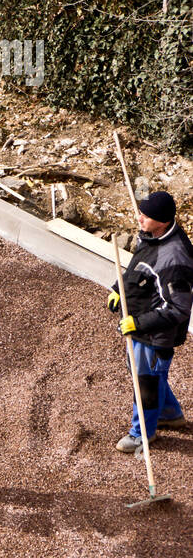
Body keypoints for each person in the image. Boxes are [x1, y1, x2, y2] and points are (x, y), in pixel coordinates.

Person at [110, 191, 193, 453]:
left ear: (163, 221)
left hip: (155, 335)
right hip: (142, 325)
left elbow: (178, 308)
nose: (139, 216)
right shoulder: (151, 236)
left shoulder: (175, 259)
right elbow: (138, 266)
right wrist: (117, 288)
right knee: (150, 376)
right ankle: (170, 415)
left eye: (145, 215)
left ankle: (141, 434)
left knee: (146, 383)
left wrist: (139, 323)